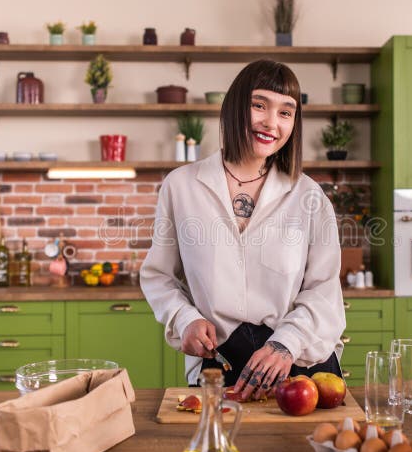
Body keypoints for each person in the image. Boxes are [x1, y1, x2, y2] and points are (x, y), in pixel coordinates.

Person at [140, 59, 345, 401]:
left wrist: (285, 344)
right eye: (259, 105)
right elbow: (159, 276)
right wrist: (184, 318)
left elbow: (324, 292)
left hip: (298, 367)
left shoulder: (309, 197)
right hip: (219, 364)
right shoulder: (181, 187)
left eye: (285, 112)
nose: (271, 123)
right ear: (234, 107)